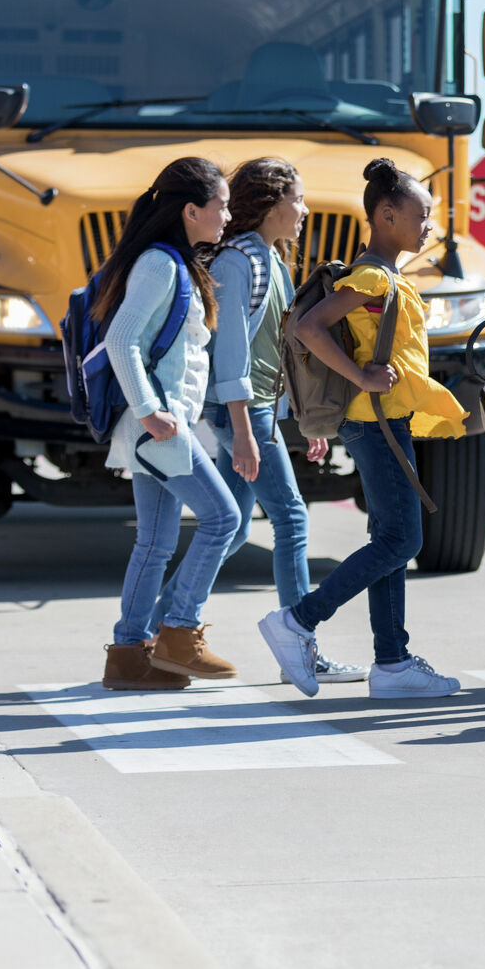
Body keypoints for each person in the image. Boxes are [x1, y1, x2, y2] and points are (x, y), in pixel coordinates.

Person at [256, 158, 465, 699]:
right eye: (421, 216)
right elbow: (308, 327)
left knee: (389, 539)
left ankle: (392, 663)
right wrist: (361, 376)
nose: (428, 227)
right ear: (387, 215)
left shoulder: (387, 275)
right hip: (376, 425)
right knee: (403, 538)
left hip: (384, 422)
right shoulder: (372, 275)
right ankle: (298, 621)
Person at [148, 157, 361, 684]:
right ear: (270, 204)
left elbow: (283, 354)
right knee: (291, 519)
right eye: (297, 200)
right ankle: (299, 647)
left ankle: (152, 631)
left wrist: (303, 422)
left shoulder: (269, 260)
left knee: (236, 527)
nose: (305, 210)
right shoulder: (237, 263)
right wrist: (246, 433)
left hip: (258, 412)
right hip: (240, 412)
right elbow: (233, 358)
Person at [98, 157, 242, 690]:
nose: (228, 215)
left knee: (155, 544)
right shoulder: (160, 265)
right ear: (190, 210)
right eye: (221, 206)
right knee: (223, 520)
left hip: (157, 428)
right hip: (159, 427)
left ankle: (130, 654)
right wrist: (149, 411)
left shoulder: (175, 263)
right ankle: (179, 630)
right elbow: (121, 339)